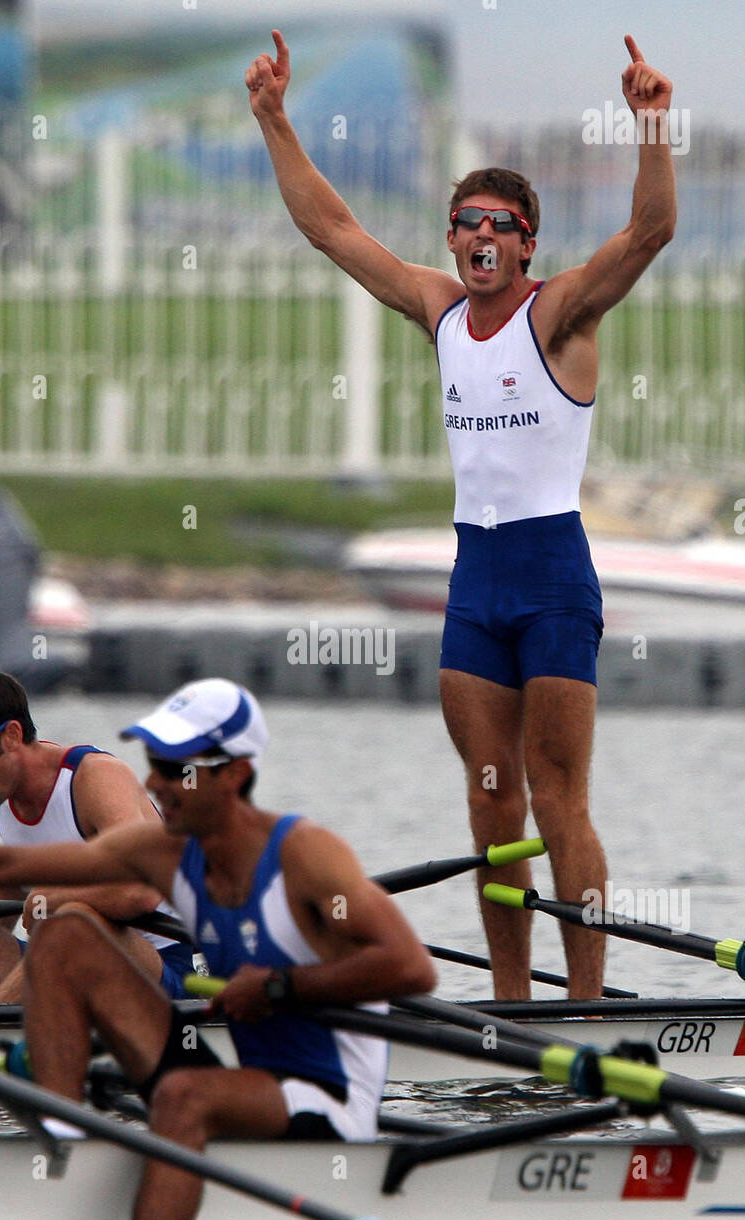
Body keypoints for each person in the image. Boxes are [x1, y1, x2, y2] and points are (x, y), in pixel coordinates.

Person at [245, 31, 676, 998]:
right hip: (474, 583)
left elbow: (648, 234)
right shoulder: (437, 309)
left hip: (555, 578)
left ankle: (586, 1005)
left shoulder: (561, 314)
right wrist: (274, 118)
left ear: (527, 241)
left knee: (560, 803)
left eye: (499, 223)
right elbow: (333, 230)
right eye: (464, 222)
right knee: (493, 807)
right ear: (451, 239)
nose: (480, 236)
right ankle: (510, 1005)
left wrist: (651, 126)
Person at [0, 677, 437, 1220]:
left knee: (178, 1091)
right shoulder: (167, 849)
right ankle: (49, 1116)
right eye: (154, 761)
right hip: (236, 1065)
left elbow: (412, 968)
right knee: (46, 929)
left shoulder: (308, 853)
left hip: (324, 1089)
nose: (151, 781)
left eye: (175, 768)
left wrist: (278, 987)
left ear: (235, 774)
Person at [0, 666, 189, 1004]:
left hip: (162, 972)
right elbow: (14, 887)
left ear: (12, 736)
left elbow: (141, 893)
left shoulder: (96, 778)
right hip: (63, 963)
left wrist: (56, 898)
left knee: (74, 918)